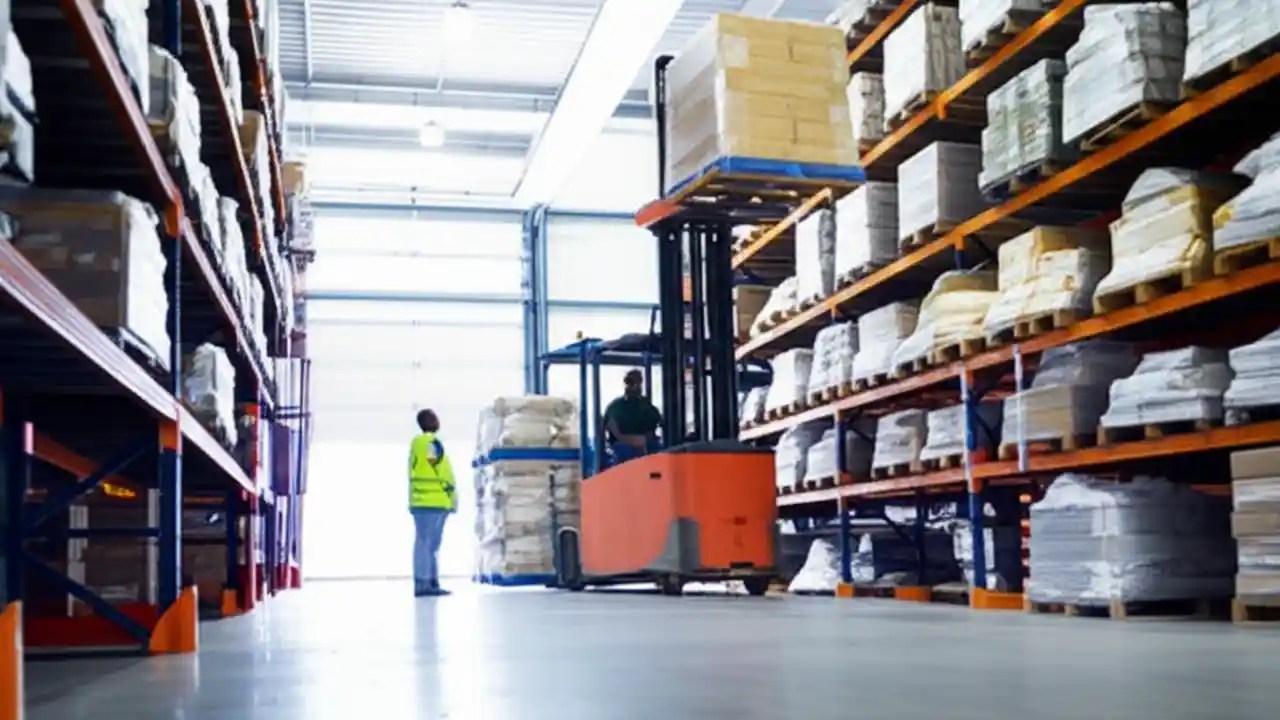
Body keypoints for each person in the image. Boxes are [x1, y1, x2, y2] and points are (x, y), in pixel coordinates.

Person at [408, 409, 455, 597]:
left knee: (423, 543)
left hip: (418, 500)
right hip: (435, 500)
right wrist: (451, 495)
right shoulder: (431, 445)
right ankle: (426, 583)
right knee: (429, 545)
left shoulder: (416, 445)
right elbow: (443, 472)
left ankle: (427, 581)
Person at [603, 369, 663, 465]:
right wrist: (639, 442)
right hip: (622, 446)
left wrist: (646, 441)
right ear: (626, 384)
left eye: (638, 383)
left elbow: (654, 428)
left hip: (646, 444)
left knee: (661, 451)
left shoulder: (646, 405)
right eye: (631, 383)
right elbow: (617, 435)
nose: (635, 386)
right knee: (626, 453)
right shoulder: (615, 407)